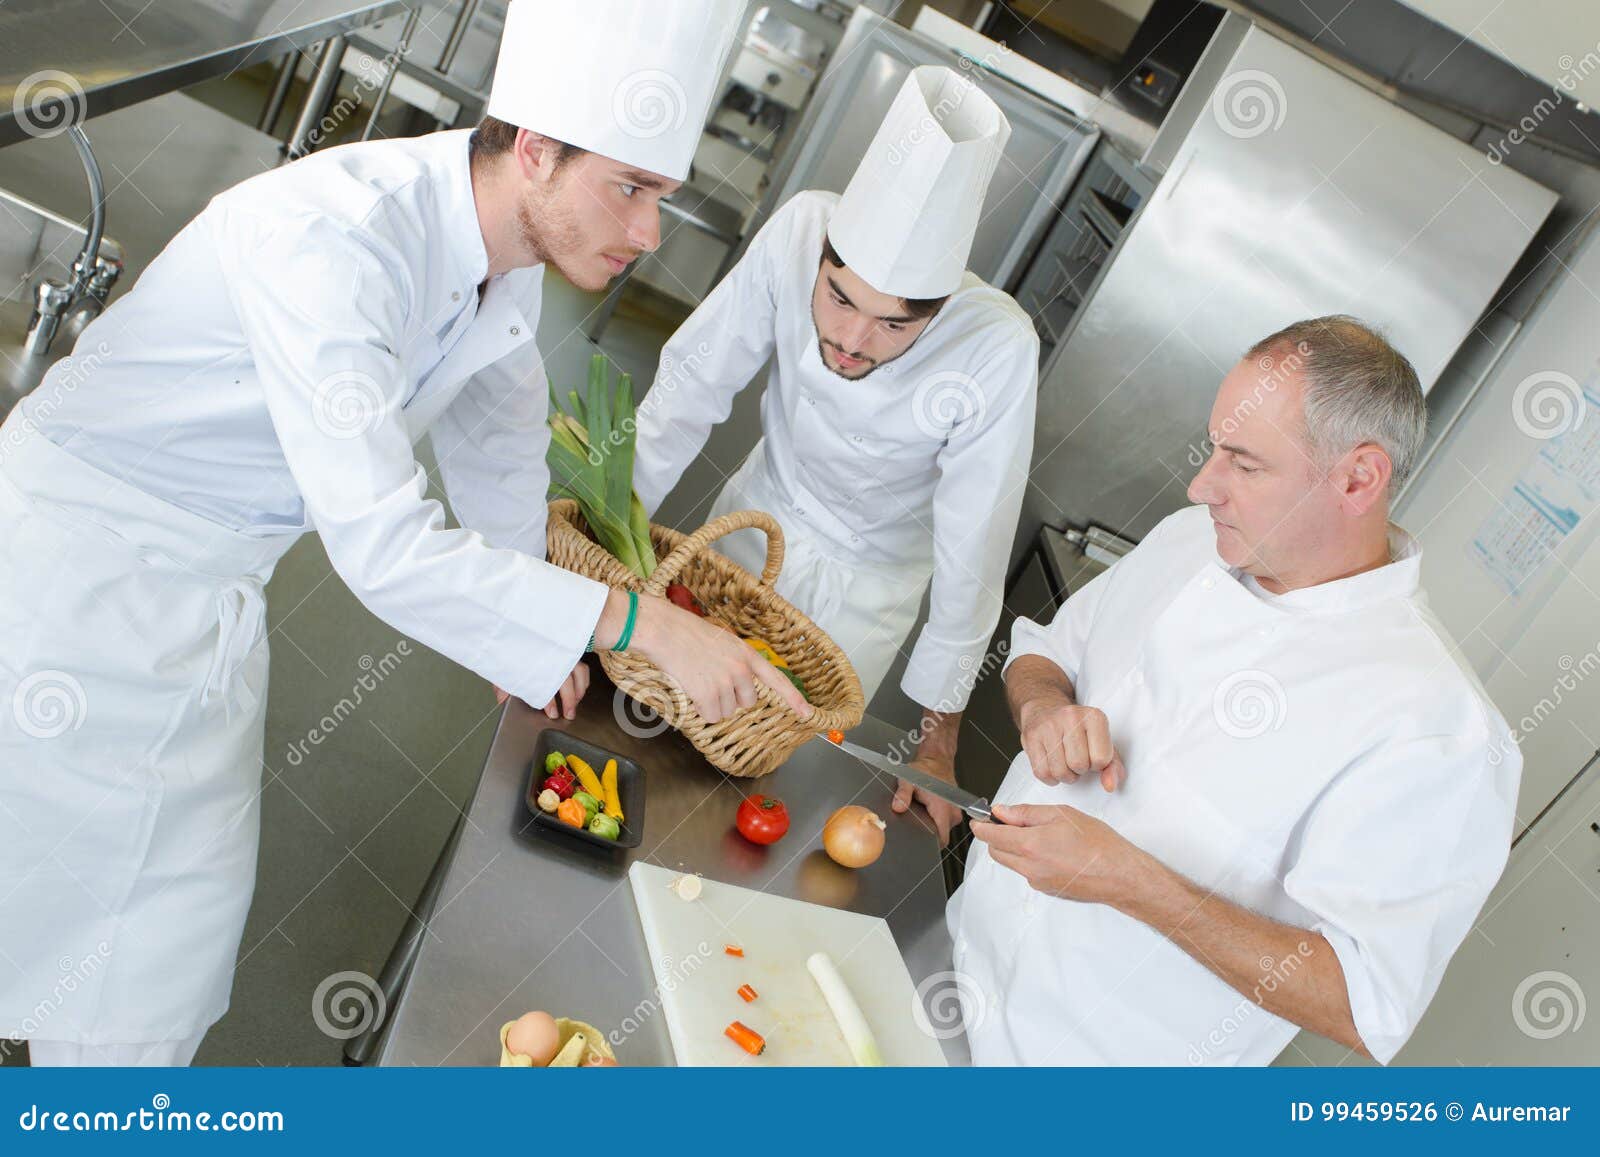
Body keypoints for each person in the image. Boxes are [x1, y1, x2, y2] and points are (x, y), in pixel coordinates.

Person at [0, 0, 811, 1067]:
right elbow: (383, 545)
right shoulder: (336, 240)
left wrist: (535, 628)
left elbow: (499, 429)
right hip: (71, 575)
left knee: (158, 940)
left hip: (199, 596)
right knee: (66, 907)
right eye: (632, 188)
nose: (648, 232)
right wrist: (634, 623)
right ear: (535, 151)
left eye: (658, 195)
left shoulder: (492, 261)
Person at [947, 317, 1521, 1065]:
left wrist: (1128, 879)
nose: (1200, 484)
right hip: (955, 960)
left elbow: (1362, 998)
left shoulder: (1434, 725)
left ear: (1358, 478)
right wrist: (1045, 707)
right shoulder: (1191, 539)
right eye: (1215, 446)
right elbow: (1044, 653)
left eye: (1244, 464)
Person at [633, 66, 1038, 844]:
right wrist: (594, 569)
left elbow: (972, 548)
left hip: (867, 594)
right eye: (839, 297)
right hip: (751, 527)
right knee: (656, 715)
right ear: (822, 255)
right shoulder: (797, 229)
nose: (852, 340)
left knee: (763, 774)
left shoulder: (996, 345)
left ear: (942, 308)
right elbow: (686, 393)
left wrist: (938, 740)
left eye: (895, 325)